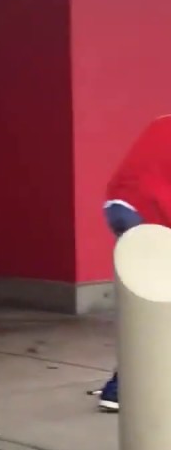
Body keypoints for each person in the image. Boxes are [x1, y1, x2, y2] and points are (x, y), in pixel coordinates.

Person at [94, 115, 171, 412]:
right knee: (157, 311)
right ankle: (120, 387)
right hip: (151, 211)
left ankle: (123, 385)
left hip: (119, 205)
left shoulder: (162, 122)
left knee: (145, 305)